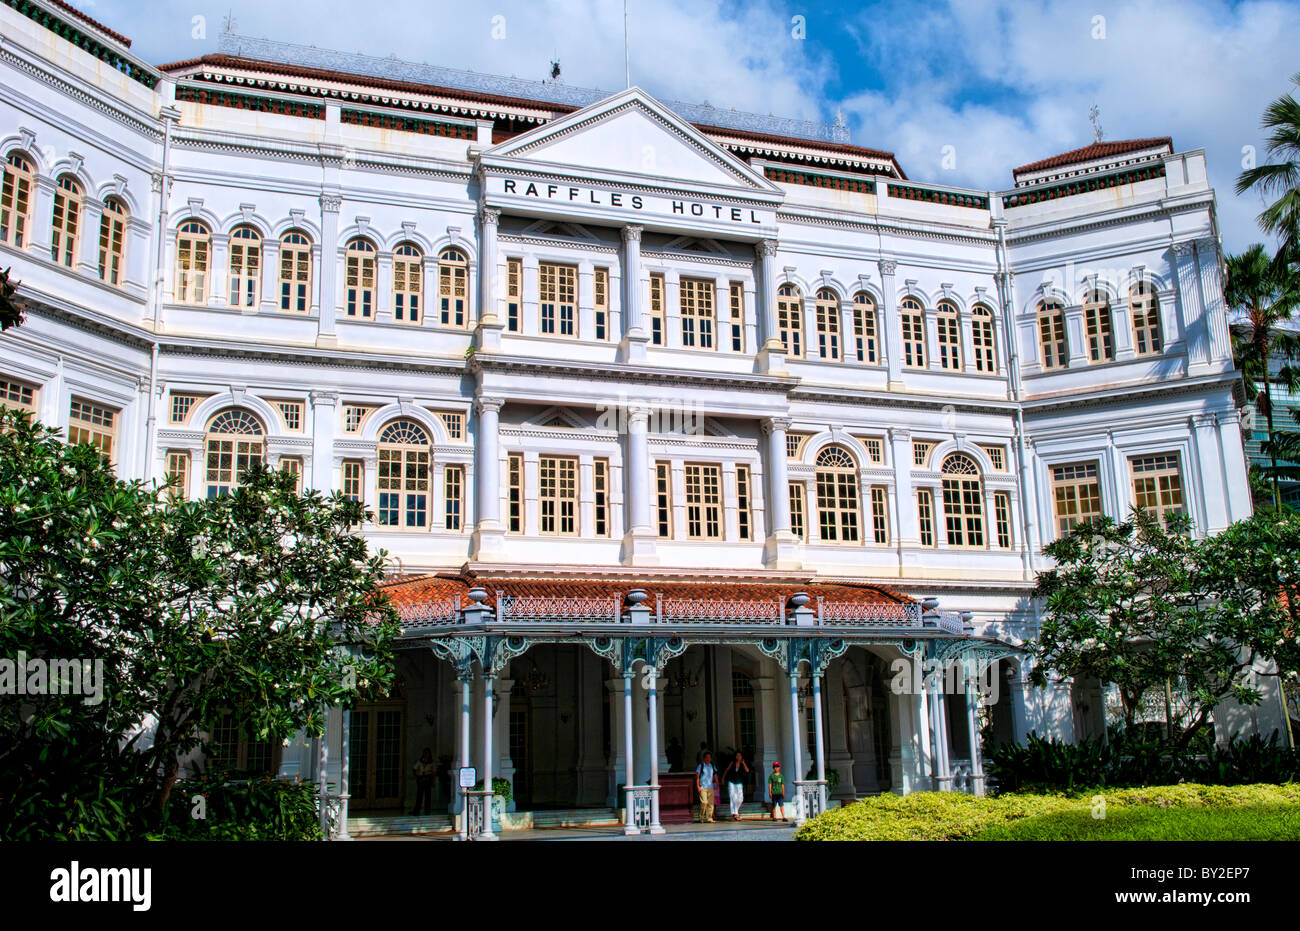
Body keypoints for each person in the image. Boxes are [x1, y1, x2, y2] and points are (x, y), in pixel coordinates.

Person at [722, 751, 749, 821]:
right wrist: (723, 778)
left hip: (739, 782)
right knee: (733, 797)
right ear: (735, 756)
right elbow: (727, 770)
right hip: (731, 782)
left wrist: (743, 763)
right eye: (737, 755)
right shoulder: (732, 762)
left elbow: (747, 770)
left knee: (740, 798)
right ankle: (735, 813)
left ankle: (735, 811)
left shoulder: (743, 764)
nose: (738, 757)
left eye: (740, 755)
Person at [412, 747, 436, 816]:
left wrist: (433, 781)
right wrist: (416, 776)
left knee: (428, 796)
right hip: (421, 778)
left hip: (428, 778)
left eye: (427, 753)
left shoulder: (431, 762)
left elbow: (434, 773)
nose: (426, 755)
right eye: (425, 753)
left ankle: (427, 811)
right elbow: (414, 769)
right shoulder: (419, 761)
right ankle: (417, 810)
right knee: (419, 795)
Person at [695, 751, 717, 823]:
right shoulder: (701, 766)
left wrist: (717, 784)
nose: (708, 759)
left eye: (709, 758)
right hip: (703, 787)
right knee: (704, 802)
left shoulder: (712, 765)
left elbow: (715, 775)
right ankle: (701, 816)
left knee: (710, 803)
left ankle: (709, 817)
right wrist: (698, 786)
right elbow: (697, 777)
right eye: (706, 757)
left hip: (710, 786)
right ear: (704, 758)